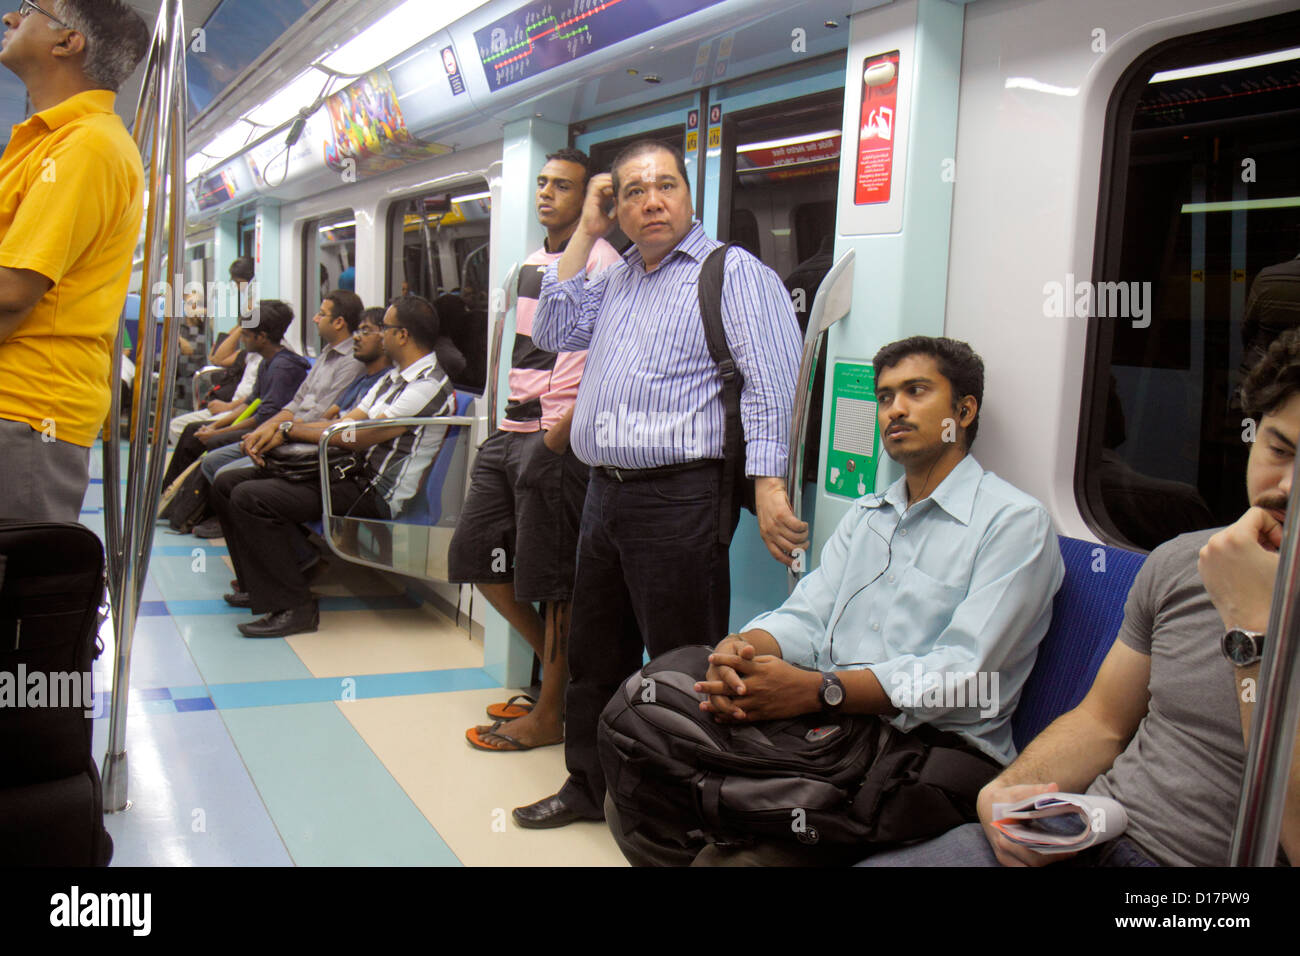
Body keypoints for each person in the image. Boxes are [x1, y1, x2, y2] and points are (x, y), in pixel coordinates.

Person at [604, 336, 1065, 865]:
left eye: (916, 391)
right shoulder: (868, 514)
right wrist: (744, 647)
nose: (895, 408)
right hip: (840, 727)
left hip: (939, 749)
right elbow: (808, 615)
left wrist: (818, 691)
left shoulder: (1012, 523)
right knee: (633, 796)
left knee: (736, 861)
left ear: (963, 410)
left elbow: (964, 674)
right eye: (885, 396)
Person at [861, 328, 1300, 868]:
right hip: (1090, 830)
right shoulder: (1185, 562)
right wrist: (1008, 788)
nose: (1287, 485)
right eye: (1279, 449)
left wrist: (1251, 631)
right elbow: (1103, 722)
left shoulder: (1012, 520)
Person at [516, 140, 805, 828]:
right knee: (595, 654)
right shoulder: (617, 278)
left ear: (689, 195)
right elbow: (552, 325)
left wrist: (767, 487)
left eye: (665, 186)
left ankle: (681, 806)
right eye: (633, 192)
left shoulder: (731, 272)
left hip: (681, 494)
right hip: (603, 492)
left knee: (681, 661)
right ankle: (589, 786)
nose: (651, 201)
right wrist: (588, 227)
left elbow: (773, 385)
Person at [449, 148, 621, 752]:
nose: (547, 194)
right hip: (509, 432)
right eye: (543, 183)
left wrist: (560, 432)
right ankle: (563, 679)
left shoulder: (602, 263)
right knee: (477, 557)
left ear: (590, 200)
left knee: (554, 583)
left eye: (563, 187)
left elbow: (606, 361)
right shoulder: (530, 262)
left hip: (554, 437)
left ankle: (552, 713)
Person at [210, 294, 456, 638]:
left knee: (253, 497)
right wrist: (281, 428)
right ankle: (259, 585)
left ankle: (295, 608)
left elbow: (356, 437)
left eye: (384, 327)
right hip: (350, 472)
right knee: (227, 483)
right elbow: (343, 425)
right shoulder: (392, 379)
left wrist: (288, 429)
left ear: (403, 335)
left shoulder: (427, 387)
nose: (379, 334)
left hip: (373, 489)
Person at [0, 0, 149, 523]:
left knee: (15, 597)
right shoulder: (46, 142)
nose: (10, 18)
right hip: (16, 407)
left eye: (28, 9)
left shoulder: (86, 147)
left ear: (68, 42)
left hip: (25, 409)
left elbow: (12, 291)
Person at [195, 289, 364, 489]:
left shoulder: (351, 363)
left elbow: (322, 414)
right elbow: (295, 402)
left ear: (338, 322)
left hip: (304, 435)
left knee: (223, 471)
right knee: (214, 459)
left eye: (322, 314)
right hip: (288, 427)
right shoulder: (326, 353)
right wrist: (263, 430)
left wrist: (277, 430)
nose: (315, 318)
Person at [160, 300, 308, 489]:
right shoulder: (266, 362)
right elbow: (251, 401)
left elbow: (264, 416)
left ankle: (184, 497)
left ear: (261, 337)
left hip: (269, 429)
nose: (242, 340)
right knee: (192, 430)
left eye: (245, 335)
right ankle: (171, 492)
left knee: (202, 440)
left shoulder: (283, 367)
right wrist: (214, 426)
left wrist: (218, 432)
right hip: (260, 423)